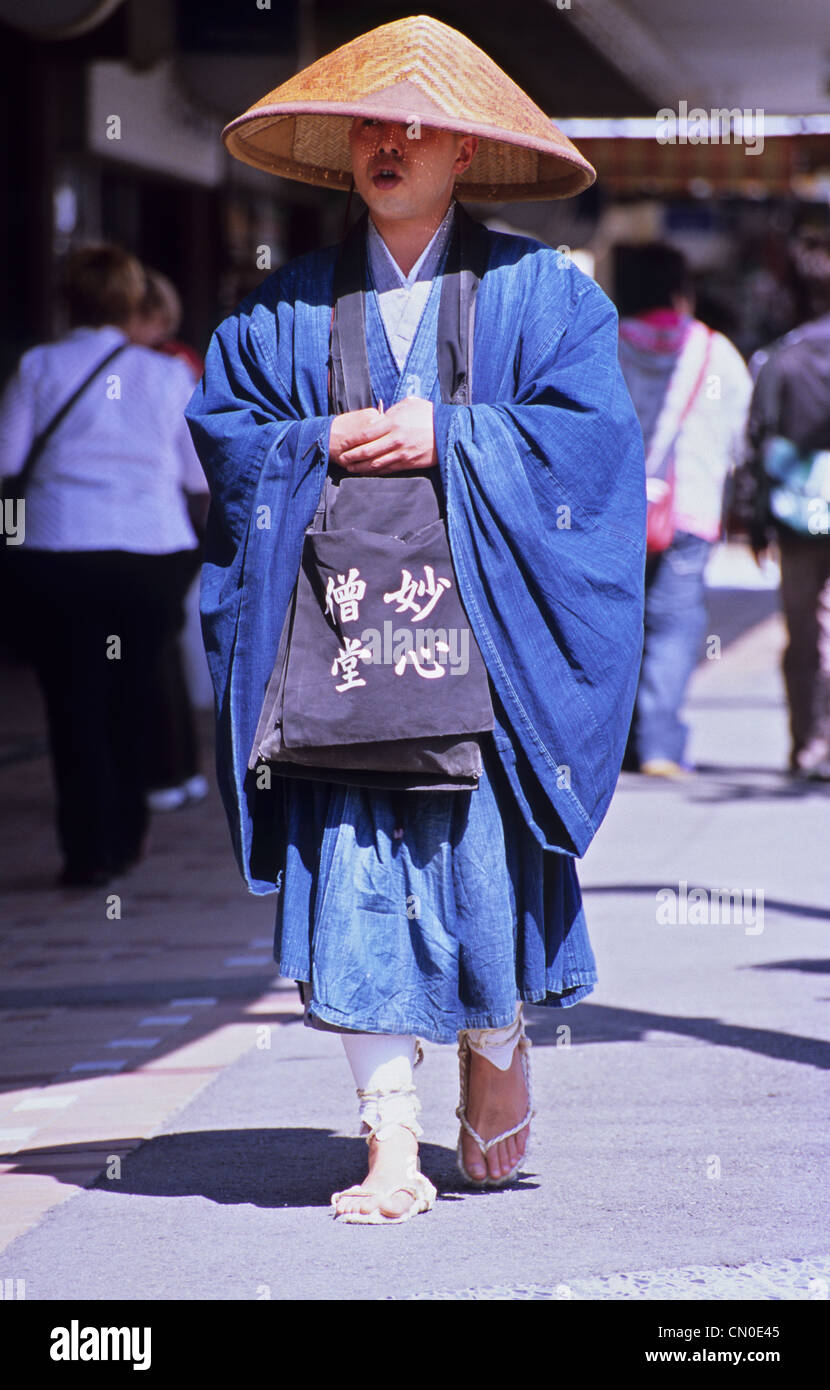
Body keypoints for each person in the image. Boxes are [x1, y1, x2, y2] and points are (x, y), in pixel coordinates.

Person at [185, 14, 646, 1223]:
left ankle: (495, 1046)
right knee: (348, 886)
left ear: (463, 155)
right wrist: (314, 444)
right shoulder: (279, 309)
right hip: (341, 649)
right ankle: (387, 1138)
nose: (388, 141)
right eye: (370, 126)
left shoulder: (544, 295)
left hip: (478, 652)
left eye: (417, 126)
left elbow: (595, 446)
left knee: (481, 876)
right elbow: (228, 441)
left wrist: (455, 436)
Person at [0, 244, 210, 886]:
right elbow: (196, 473)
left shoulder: (40, 364)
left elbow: (7, 463)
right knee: (137, 688)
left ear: (70, 298)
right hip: (151, 553)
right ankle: (129, 833)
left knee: (72, 702)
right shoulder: (168, 375)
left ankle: (89, 853)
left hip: (61, 550)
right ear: (130, 299)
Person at [617, 243, 753, 777]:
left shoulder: (605, 341)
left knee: (615, 623)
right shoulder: (715, 352)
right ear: (681, 289)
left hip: (616, 512)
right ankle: (658, 745)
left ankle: (614, 743)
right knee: (673, 626)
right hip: (690, 511)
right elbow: (742, 432)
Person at [732, 238, 830, 779]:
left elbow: (757, 443)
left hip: (798, 518)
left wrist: (756, 521)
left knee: (804, 629)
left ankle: (808, 741)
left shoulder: (780, 359)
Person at [127, 268, 209, 812]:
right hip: (169, 528)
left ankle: (170, 768)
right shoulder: (176, 364)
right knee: (162, 653)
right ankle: (174, 769)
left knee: (157, 656)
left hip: (166, 525)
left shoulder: (172, 365)